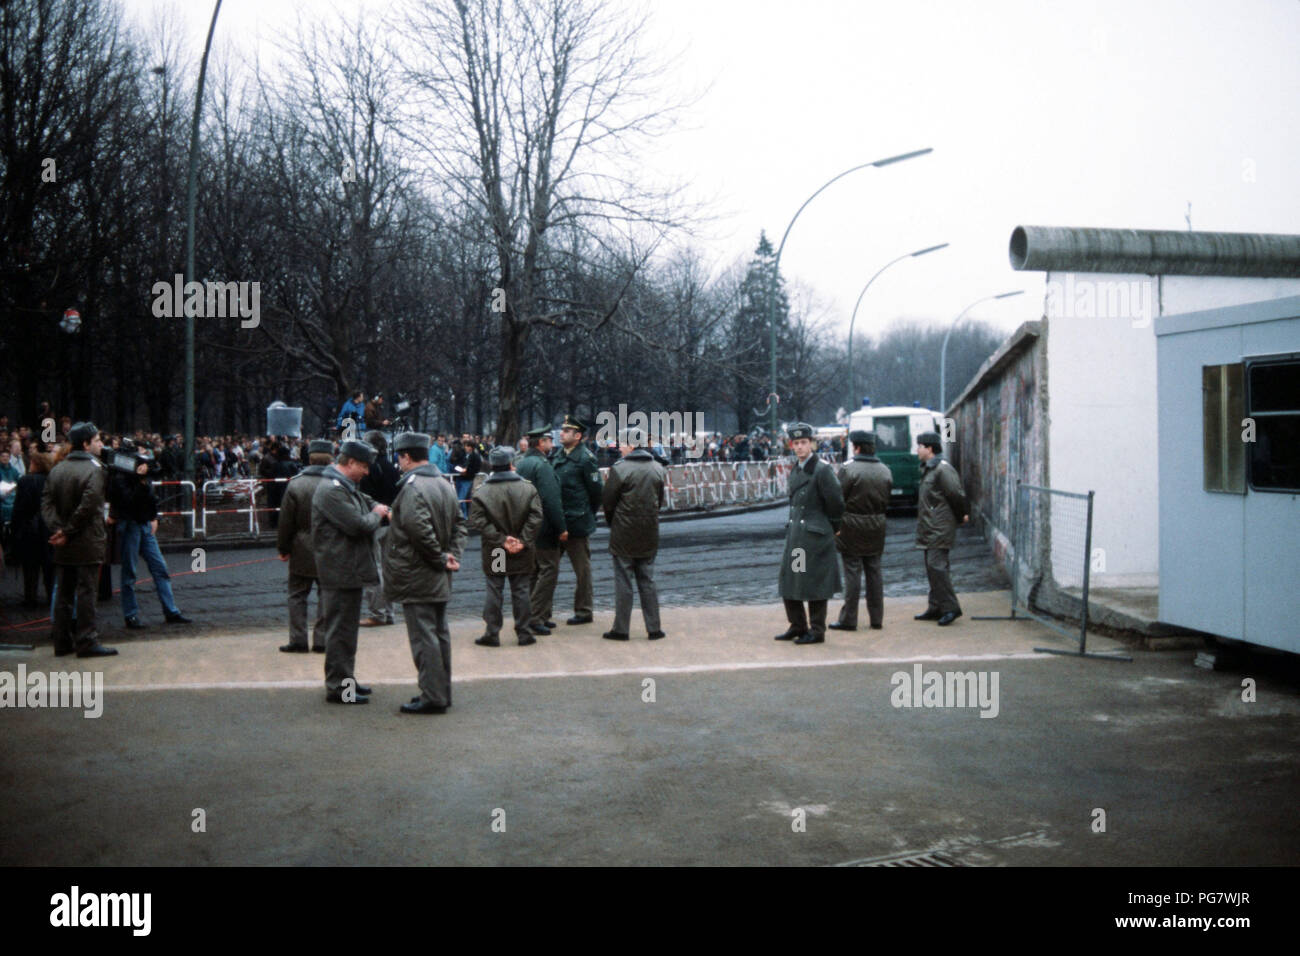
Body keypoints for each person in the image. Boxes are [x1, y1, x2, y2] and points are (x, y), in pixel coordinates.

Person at [384, 432, 467, 714]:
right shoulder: (444, 484)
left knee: (424, 638)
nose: (399, 463)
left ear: (406, 457)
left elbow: (420, 531)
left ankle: (432, 696)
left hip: (418, 573)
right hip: (438, 574)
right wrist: (451, 555)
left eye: (399, 458)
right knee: (439, 634)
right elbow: (460, 525)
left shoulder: (412, 487)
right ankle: (441, 692)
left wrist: (440, 557)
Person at [311, 440, 389, 704]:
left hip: (347, 570)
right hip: (339, 571)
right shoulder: (332, 491)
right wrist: (378, 514)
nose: (367, 472)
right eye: (364, 466)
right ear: (351, 463)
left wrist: (377, 508)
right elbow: (358, 524)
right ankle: (338, 688)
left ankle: (347, 681)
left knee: (346, 634)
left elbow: (366, 502)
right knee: (340, 634)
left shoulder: (345, 487)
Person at [41, 422, 117, 657]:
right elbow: (89, 505)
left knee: (64, 592)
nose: (100, 444)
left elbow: (46, 502)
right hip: (86, 540)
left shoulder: (57, 469)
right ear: (85, 444)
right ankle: (86, 640)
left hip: (63, 542)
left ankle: (62, 641)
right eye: (96, 441)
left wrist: (58, 530)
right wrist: (69, 531)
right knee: (86, 592)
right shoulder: (95, 469)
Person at [775, 422, 845, 645]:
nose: (800, 447)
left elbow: (836, 503)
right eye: (796, 443)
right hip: (798, 537)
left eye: (804, 443)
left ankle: (816, 630)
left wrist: (832, 528)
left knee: (815, 583)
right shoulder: (797, 468)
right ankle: (797, 625)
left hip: (815, 538)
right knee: (791, 580)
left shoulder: (822, 470)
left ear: (812, 444)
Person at [109, 453, 192, 629]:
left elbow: (150, 498)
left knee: (159, 568)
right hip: (131, 523)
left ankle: (171, 610)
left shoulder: (136, 478)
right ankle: (131, 614)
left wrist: (153, 516)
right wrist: (139, 479)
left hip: (143, 524)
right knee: (130, 572)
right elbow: (129, 501)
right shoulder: (120, 477)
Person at [470, 447, 543, 647]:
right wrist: (522, 540)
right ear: (512, 465)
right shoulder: (528, 488)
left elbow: (477, 520)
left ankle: (492, 633)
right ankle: (524, 632)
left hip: (497, 550)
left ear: (492, 466)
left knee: (495, 589)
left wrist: (501, 540)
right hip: (522, 548)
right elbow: (536, 517)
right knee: (521, 590)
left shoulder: (482, 491)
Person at [601, 429, 667, 641]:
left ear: (631, 445)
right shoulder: (658, 468)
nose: (619, 447)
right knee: (647, 580)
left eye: (622, 443)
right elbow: (660, 501)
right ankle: (654, 628)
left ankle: (621, 628)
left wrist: (614, 523)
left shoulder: (620, 469)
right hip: (649, 529)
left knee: (624, 580)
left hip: (624, 531)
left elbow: (609, 503)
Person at [829, 430, 892, 632]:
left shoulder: (849, 469)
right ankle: (876, 618)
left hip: (852, 524)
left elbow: (838, 499)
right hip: (877, 523)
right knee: (874, 571)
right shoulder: (885, 470)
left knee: (852, 572)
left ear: (856, 447)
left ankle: (849, 618)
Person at [276, 439, 335, 653]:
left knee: (297, 595)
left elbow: (285, 522)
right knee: (327, 595)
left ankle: (298, 639)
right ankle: (322, 640)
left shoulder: (296, 483)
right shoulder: (337, 484)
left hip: (301, 546)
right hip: (330, 548)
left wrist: (283, 548)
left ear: (309, 458)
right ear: (331, 458)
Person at [913, 431, 969, 626]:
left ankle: (950, 608)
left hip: (940, 526)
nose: (917, 450)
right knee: (932, 567)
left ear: (929, 449)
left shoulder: (942, 469)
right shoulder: (930, 469)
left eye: (919, 446)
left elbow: (955, 494)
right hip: (931, 526)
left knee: (937, 567)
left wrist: (962, 514)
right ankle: (936, 606)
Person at [551, 415, 602, 625]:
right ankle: (542, 612)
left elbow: (596, 492)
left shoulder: (586, 458)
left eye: (566, 431)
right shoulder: (559, 454)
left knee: (582, 570)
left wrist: (585, 513)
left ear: (578, 435)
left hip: (576, 523)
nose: (561, 433)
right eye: (562, 430)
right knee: (548, 568)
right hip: (557, 521)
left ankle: (583, 611)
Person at [515, 425, 565, 635]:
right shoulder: (542, 465)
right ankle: (535, 617)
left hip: (527, 525)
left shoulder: (522, 463)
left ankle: (537, 615)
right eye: (549, 441)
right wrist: (561, 527)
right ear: (541, 443)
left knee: (534, 572)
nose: (552, 444)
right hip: (544, 526)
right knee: (548, 570)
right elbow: (551, 500)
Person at [359, 430, 399, 627]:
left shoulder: (369, 469)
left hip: (375, 523)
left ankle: (378, 613)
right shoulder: (392, 468)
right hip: (391, 524)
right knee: (388, 569)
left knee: (375, 570)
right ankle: (389, 612)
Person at [10, 450, 55, 608]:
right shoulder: (52, 480)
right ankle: (52, 597)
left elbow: (19, 508)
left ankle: (30, 598)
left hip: (30, 528)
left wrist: (15, 529)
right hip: (49, 527)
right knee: (49, 567)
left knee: (30, 566)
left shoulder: (25, 481)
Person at [448, 438, 481, 518]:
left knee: (461, 498)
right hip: (461, 478)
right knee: (461, 498)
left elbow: (476, 468)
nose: (465, 448)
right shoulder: (465, 455)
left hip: (467, 479)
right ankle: (464, 515)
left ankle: (464, 517)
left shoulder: (475, 456)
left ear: (470, 447)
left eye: (466, 446)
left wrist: (466, 471)